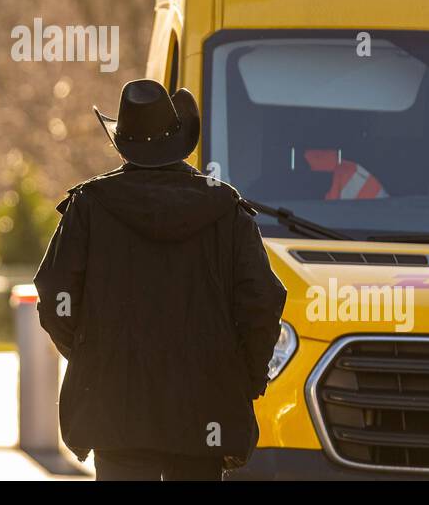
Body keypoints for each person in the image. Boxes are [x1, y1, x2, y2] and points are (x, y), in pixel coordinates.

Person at [34, 79, 287, 480]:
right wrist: (246, 378)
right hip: (205, 411)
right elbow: (262, 304)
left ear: (122, 143)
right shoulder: (225, 208)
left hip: (116, 412)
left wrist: (95, 355)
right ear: (179, 139)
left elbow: (55, 299)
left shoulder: (89, 206)